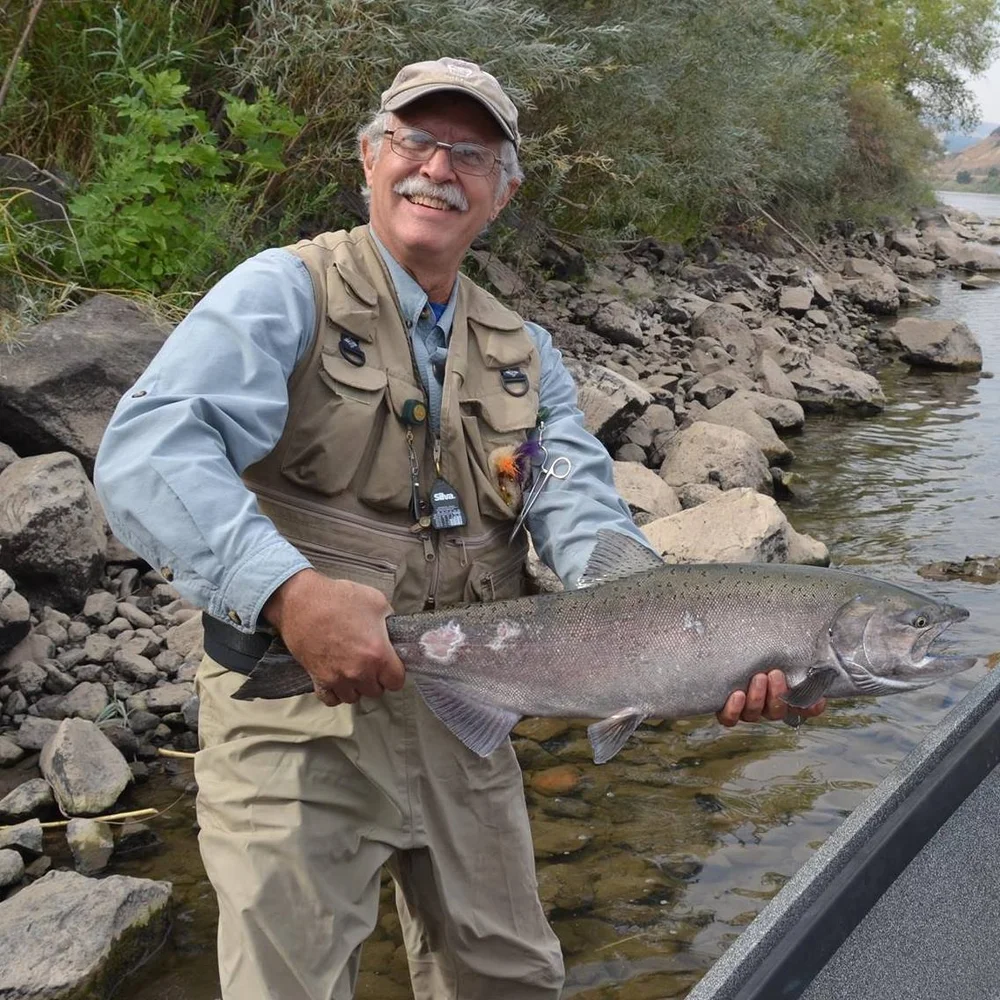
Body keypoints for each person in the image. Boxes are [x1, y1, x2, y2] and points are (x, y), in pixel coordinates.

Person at [95, 57, 825, 1000]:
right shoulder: (281, 293)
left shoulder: (529, 355)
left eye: (471, 154)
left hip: (475, 711)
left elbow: (575, 500)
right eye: (415, 140)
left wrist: (689, 648)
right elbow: (149, 449)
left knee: (508, 978)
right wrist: (289, 594)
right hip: (295, 715)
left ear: (502, 194)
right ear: (369, 157)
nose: (437, 167)